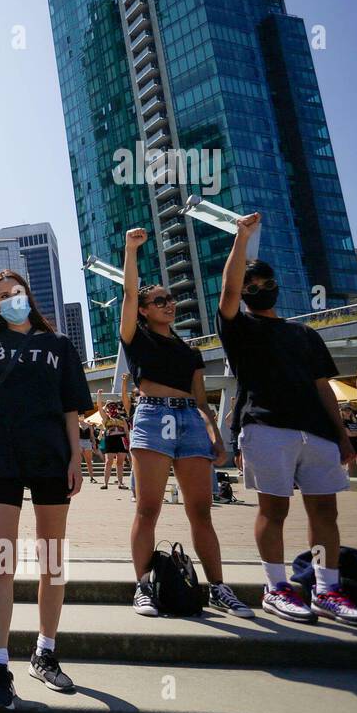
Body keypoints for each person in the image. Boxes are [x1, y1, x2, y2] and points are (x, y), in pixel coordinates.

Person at [0, 208, 91, 707]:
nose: (9, 299)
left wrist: (77, 454)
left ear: (27, 296)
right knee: (2, 560)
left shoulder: (57, 343)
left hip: (52, 455)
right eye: (0, 295)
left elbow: (71, 405)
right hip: (3, 456)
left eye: (15, 291)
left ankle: (46, 650)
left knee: (53, 558)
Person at [218, 213, 357, 627]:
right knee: (274, 510)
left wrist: (342, 436)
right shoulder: (238, 328)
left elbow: (324, 388)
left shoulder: (304, 334)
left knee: (326, 513)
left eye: (265, 284)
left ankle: (326, 588)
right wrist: (241, 240)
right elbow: (228, 290)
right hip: (266, 427)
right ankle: (276, 586)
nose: (260, 290)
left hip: (315, 432)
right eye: (252, 286)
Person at [119, 228, 252, 618]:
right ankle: (143, 586)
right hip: (153, 414)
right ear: (144, 309)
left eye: (171, 299)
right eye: (159, 301)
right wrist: (131, 251)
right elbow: (129, 293)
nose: (169, 304)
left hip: (189, 421)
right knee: (148, 509)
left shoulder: (190, 350)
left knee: (201, 509)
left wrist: (215, 435)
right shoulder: (135, 337)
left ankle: (218, 587)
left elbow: (200, 400)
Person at [98, 385, 130, 490]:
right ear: (107, 408)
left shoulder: (122, 418)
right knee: (108, 462)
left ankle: (120, 483)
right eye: (109, 406)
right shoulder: (106, 417)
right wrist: (99, 395)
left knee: (120, 462)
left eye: (113, 405)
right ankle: (105, 483)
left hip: (121, 439)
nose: (112, 407)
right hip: (110, 439)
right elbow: (99, 408)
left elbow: (126, 431)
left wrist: (129, 442)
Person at [77, 416, 98, 484]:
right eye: (79, 415)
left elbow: (92, 435)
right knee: (78, 461)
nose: (81, 416)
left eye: (82, 415)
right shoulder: (75, 424)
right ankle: (78, 477)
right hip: (78, 441)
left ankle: (91, 477)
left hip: (87, 442)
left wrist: (94, 443)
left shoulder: (89, 425)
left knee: (88, 461)